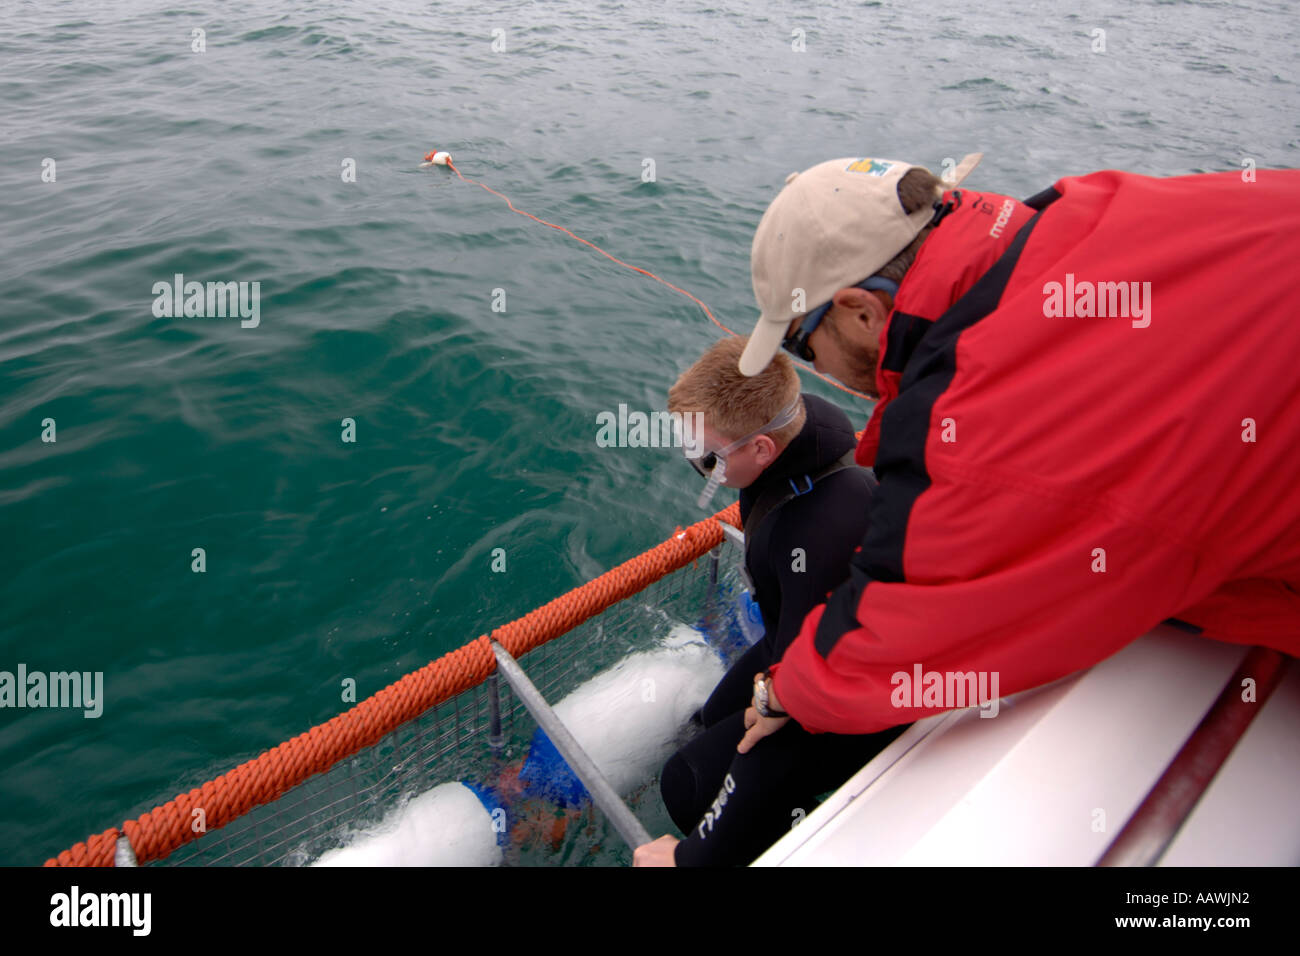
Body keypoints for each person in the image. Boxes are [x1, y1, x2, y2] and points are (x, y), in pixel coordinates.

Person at [726, 151, 1300, 756]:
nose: (814, 368)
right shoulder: (1086, 205)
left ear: (861, 312)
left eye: (802, 345)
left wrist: (782, 692)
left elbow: (889, 644)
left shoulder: (974, 422)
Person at [632, 336, 904, 867]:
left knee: (686, 785)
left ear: (762, 449)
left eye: (706, 455)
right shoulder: (801, 432)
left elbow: (816, 696)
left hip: (853, 692)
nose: (695, 462)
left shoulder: (818, 531)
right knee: (709, 719)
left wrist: (690, 860)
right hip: (795, 635)